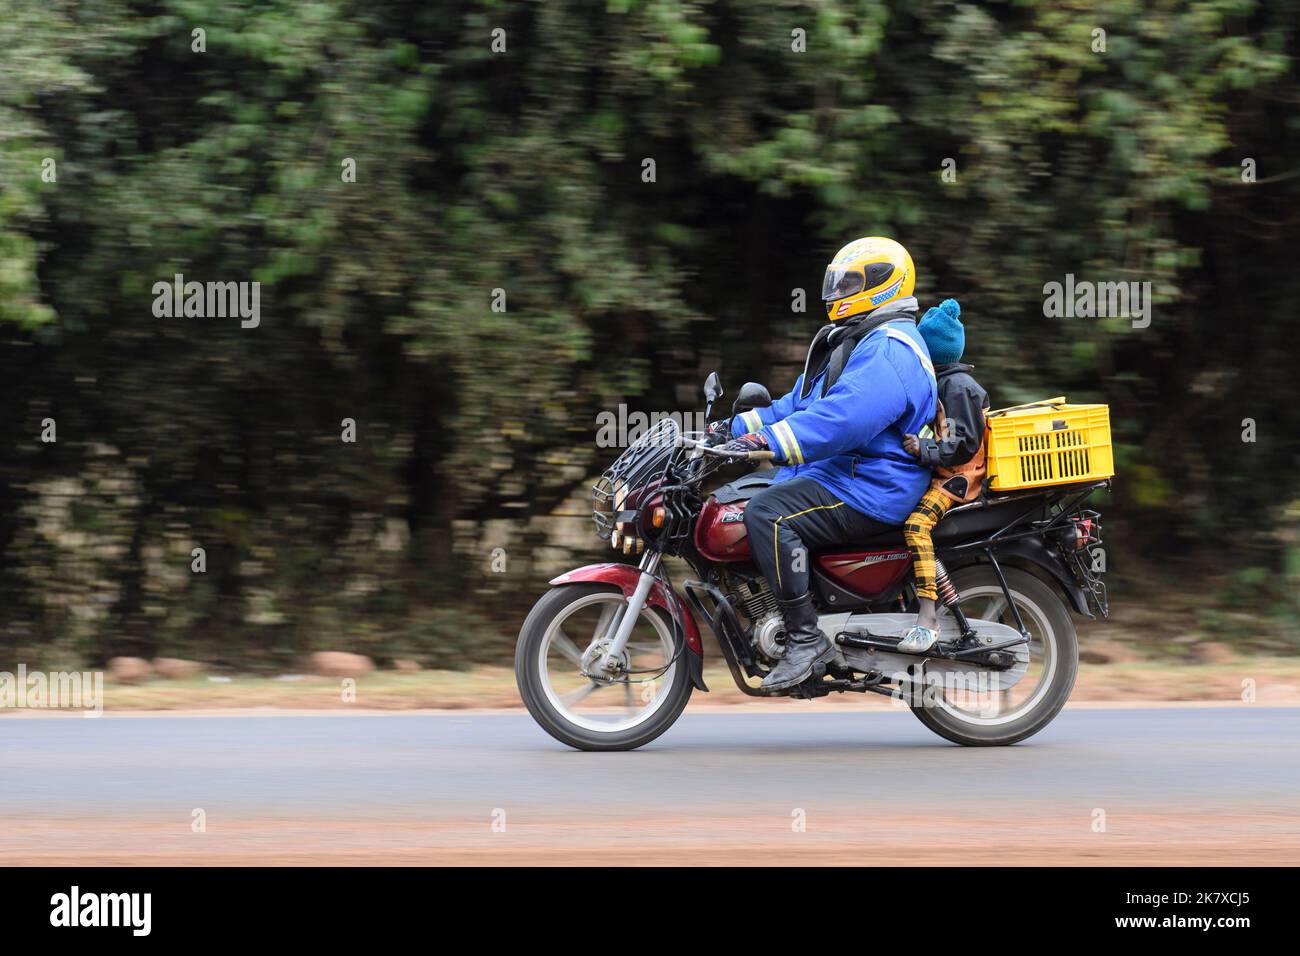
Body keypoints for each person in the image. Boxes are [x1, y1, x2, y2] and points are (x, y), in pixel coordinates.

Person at [720, 236, 937, 691]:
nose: (838, 292)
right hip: (846, 475)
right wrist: (733, 429)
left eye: (850, 283)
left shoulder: (890, 348)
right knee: (737, 501)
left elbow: (842, 421)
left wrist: (769, 442)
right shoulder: (856, 340)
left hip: (874, 485)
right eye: (836, 283)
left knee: (768, 514)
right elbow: (797, 405)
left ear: (884, 284)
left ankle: (804, 639)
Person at [897, 298, 990, 653]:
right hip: (945, 470)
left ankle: (928, 617)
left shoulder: (959, 388)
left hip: (959, 479)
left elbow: (963, 444)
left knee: (916, 527)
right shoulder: (946, 384)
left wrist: (925, 451)